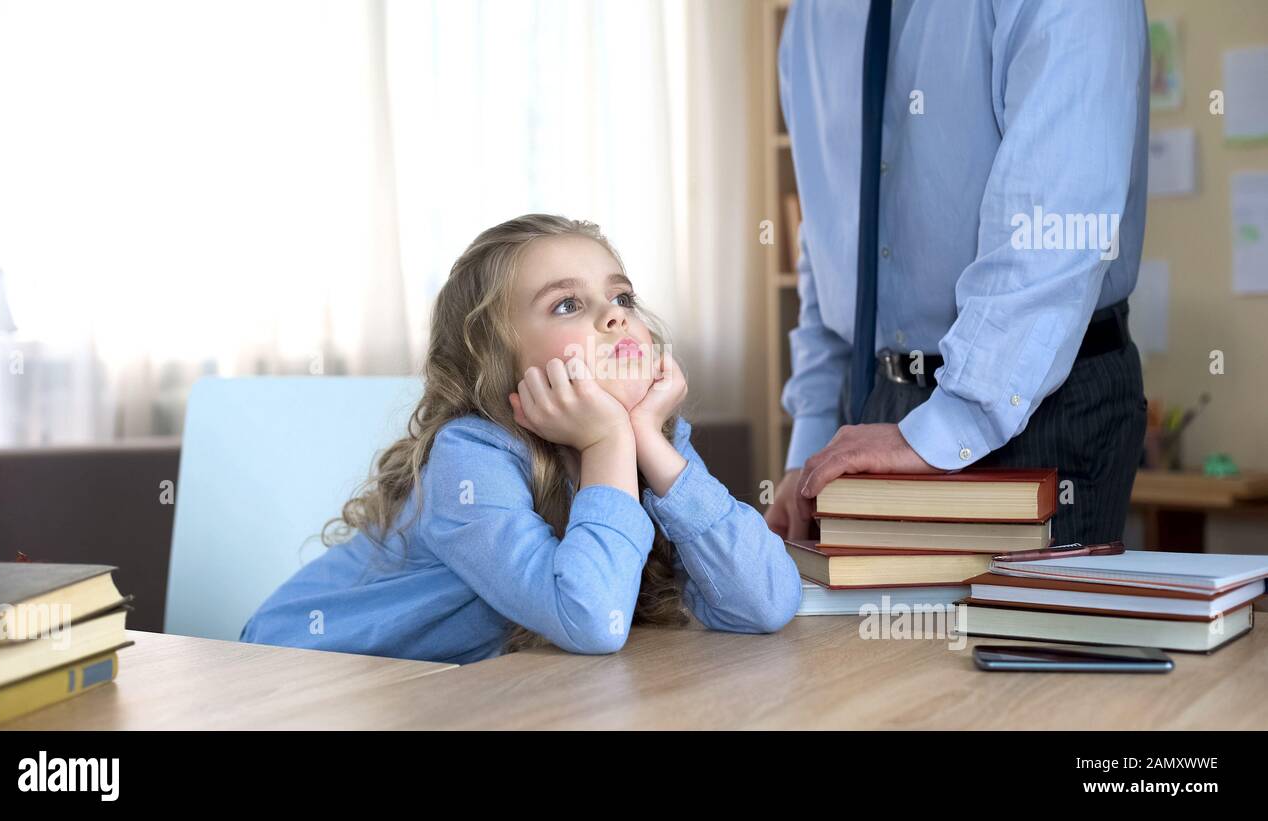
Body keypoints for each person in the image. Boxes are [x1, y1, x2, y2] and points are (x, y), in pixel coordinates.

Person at [241, 214, 801, 663]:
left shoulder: (647, 440)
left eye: (622, 297)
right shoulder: (471, 455)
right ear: (499, 359)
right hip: (291, 674)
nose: (615, 318)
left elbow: (766, 603)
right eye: (567, 304)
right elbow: (592, 621)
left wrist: (654, 448)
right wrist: (609, 444)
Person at [765, 0, 1150, 547]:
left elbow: (1055, 223)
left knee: (1023, 635)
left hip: (1041, 403)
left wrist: (946, 430)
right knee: (869, 635)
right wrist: (812, 440)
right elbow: (829, 240)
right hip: (874, 401)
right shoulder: (811, 17)